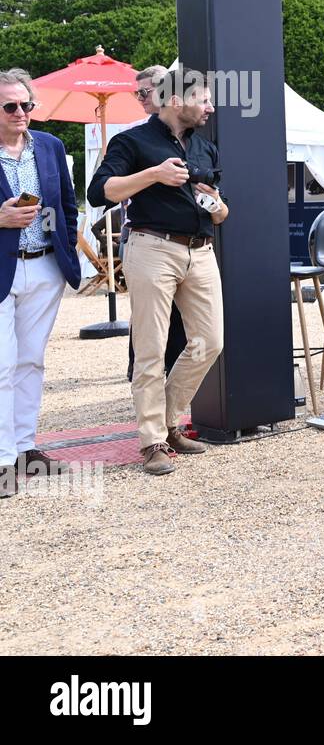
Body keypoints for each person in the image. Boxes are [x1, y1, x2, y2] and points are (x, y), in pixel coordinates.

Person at [87, 67, 228, 476]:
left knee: (210, 340)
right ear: (174, 100)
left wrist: (216, 204)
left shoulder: (206, 148)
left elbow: (222, 211)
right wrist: (154, 174)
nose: (210, 107)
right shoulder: (132, 141)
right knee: (150, 348)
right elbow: (100, 192)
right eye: (203, 99)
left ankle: (167, 420)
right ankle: (153, 441)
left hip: (200, 251)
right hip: (151, 248)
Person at [0, 69, 82, 498]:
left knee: (31, 361)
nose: (20, 113)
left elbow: (66, 206)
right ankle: (2, 459)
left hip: (45, 267)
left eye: (26, 105)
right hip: (2, 270)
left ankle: (27, 448)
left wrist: (66, 252)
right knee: (1, 365)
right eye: (10, 106)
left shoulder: (50, 146)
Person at [126, 66, 187, 383]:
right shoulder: (133, 134)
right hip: (147, 234)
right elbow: (110, 188)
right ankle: (140, 374)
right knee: (147, 318)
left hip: (186, 239)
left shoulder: (188, 133)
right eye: (136, 93)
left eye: (144, 92)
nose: (140, 99)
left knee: (185, 321)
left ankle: (175, 382)